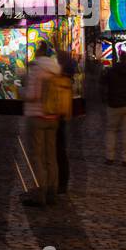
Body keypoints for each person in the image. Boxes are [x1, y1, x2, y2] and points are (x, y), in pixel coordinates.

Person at [21, 40, 61, 207]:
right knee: (51, 155)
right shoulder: (55, 69)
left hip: (37, 116)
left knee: (36, 155)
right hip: (53, 116)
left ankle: (39, 193)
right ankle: (52, 192)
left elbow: (32, 95)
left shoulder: (36, 69)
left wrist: (21, 89)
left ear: (37, 52)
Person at [100, 52, 126, 166]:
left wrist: (105, 99)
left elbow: (102, 83)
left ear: (119, 59)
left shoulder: (112, 71)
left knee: (111, 130)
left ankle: (110, 157)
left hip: (114, 104)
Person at [54, 49, 76, 193]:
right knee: (60, 150)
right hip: (61, 117)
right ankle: (61, 182)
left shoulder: (61, 81)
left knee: (58, 151)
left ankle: (61, 183)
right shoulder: (67, 79)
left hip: (57, 117)